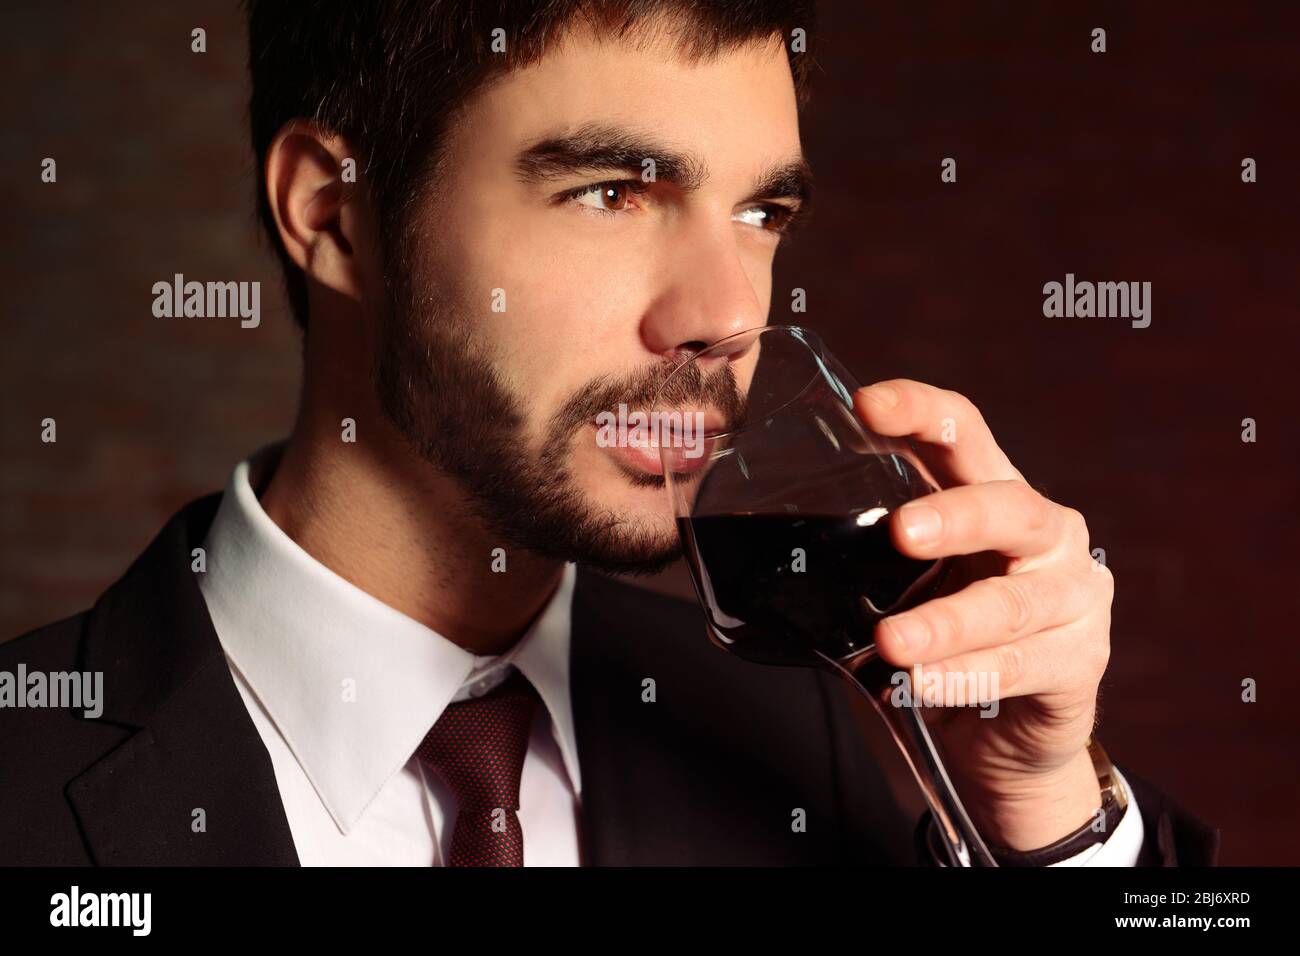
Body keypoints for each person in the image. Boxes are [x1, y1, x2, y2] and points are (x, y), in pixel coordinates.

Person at [0, 0, 1217, 866]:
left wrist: (1042, 817)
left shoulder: (816, 732)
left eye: (762, 212)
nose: (727, 315)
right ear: (333, 215)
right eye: (612, 193)